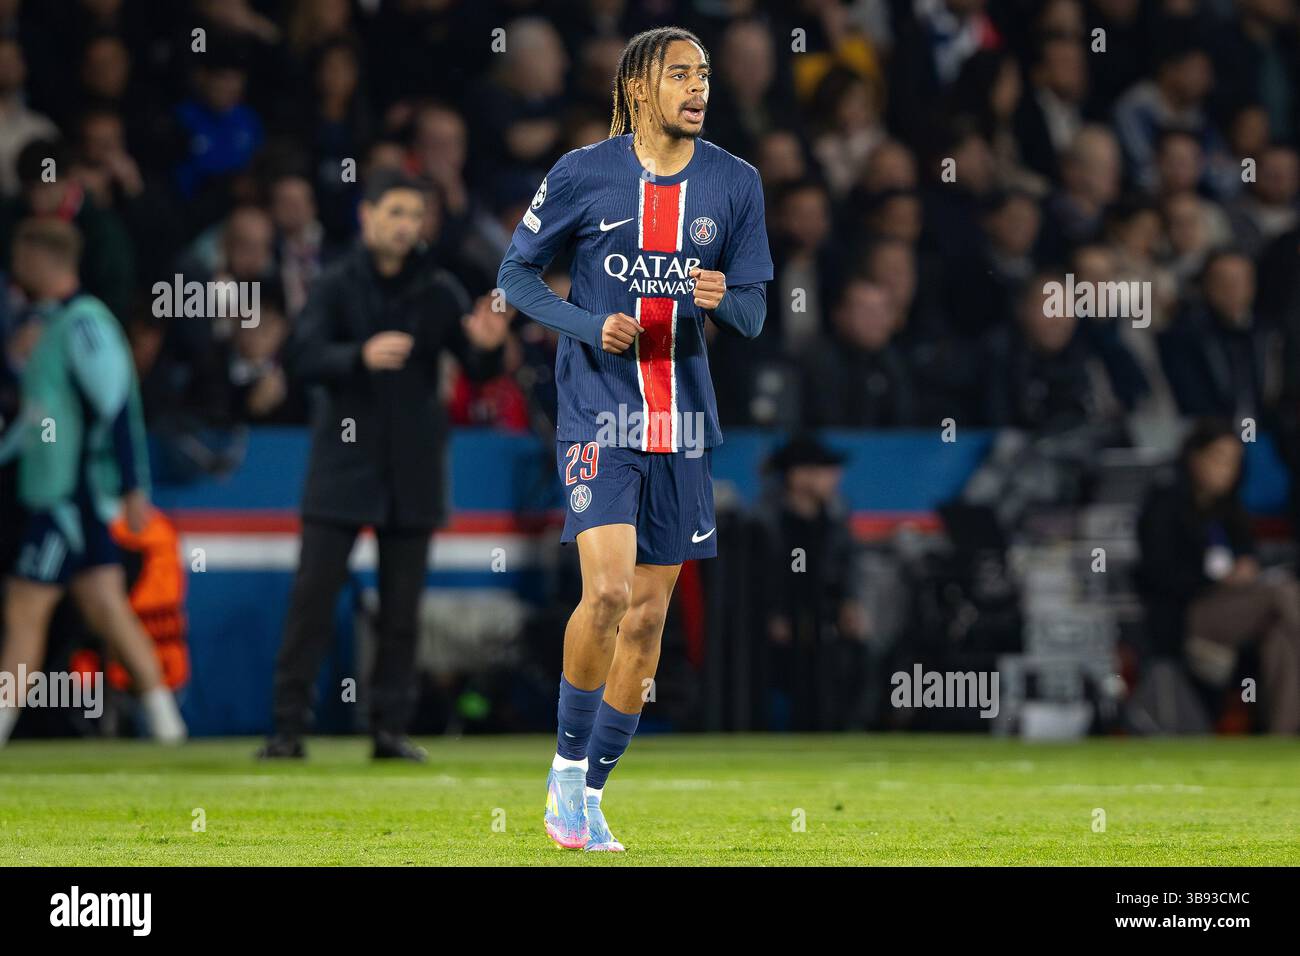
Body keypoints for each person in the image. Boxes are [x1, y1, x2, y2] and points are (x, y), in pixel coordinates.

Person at [497, 26, 772, 852]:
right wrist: (588, 324)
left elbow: (755, 313)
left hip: (682, 422)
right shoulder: (583, 173)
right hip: (599, 413)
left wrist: (723, 296)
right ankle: (563, 766)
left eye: (705, 75)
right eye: (680, 74)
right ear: (638, 86)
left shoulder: (736, 182)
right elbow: (515, 275)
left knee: (649, 621)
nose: (698, 88)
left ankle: (590, 791)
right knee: (609, 594)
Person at [258, 169, 506, 762]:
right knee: (312, 602)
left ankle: (389, 729)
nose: (405, 226)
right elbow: (300, 357)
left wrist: (489, 345)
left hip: (413, 468)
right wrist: (356, 356)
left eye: (414, 215)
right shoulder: (336, 284)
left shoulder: (439, 289)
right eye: (394, 212)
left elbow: (474, 369)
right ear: (366, 215)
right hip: (342, 466)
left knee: (402, 612)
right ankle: (288, 728)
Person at [0, 218, 186, 746]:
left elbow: (117, 401)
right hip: (60, 490)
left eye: (20, 257)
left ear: (41, 258)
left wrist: (131, 485)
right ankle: (168, 723)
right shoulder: (51, 325)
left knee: (23, 606)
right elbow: (39, 417)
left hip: (68, 495)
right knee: (106, 608)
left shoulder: (83, 323)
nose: (15, 269)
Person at [1137, 418, 1299, 734]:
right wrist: (1217, 580)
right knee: (1283, 592)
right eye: (1219, 459)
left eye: (1234, 461)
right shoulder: (1165, 503)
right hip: (1191, 612)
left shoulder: (1231, 510)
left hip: (1243, 610)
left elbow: (1248, 556)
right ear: (1195, 458)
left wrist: (1247, 570)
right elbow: (1158, 572)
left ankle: (1283, 737)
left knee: (1282, 637)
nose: (1227, 469)